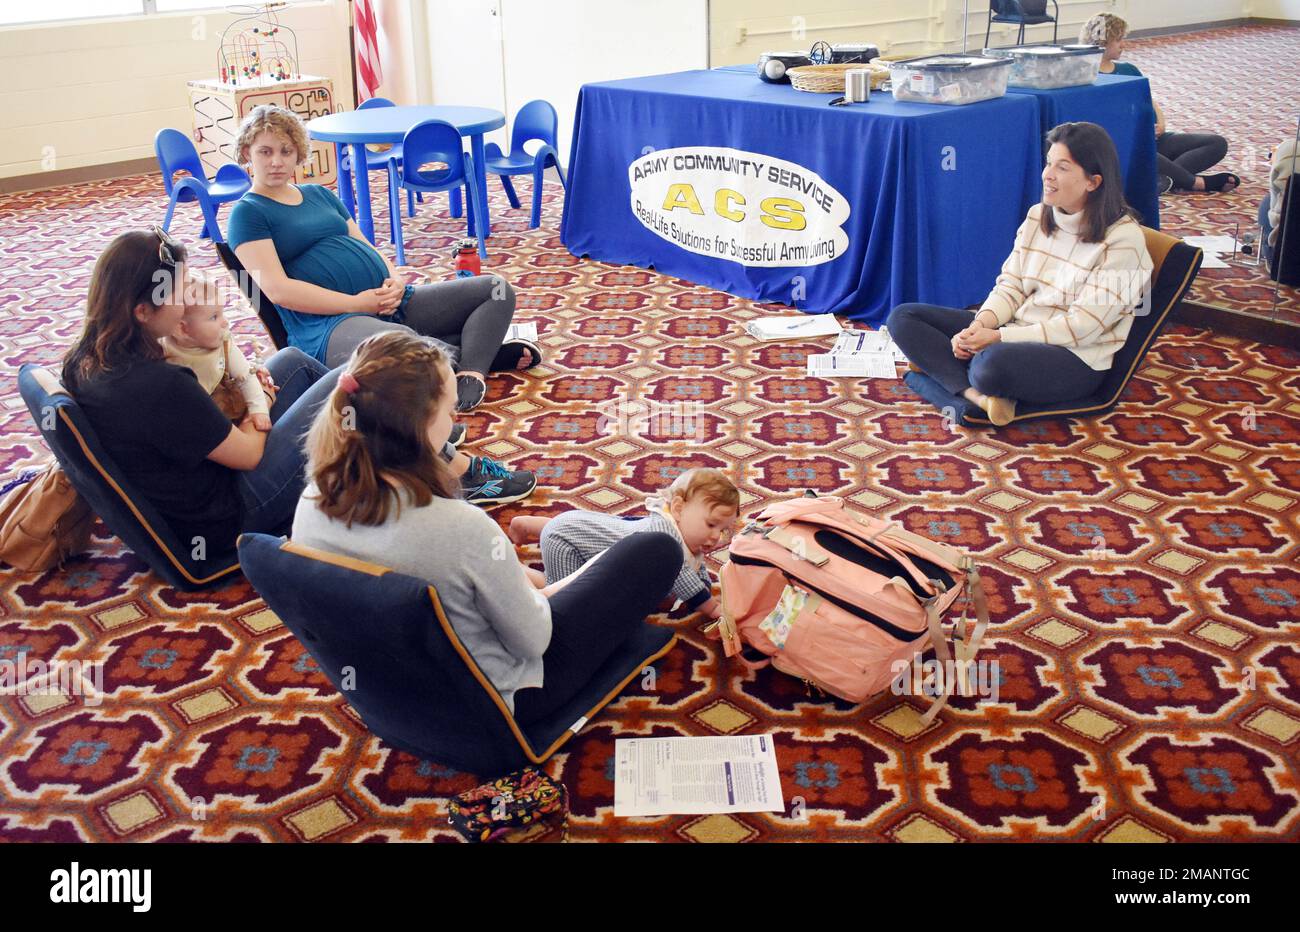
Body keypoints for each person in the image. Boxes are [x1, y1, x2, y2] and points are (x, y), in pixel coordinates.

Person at [291, 331, 681, 723]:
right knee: (652, 549)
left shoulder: (312, 500)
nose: (456, 417)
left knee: (526, 577)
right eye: (448, 409)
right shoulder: (462, 527)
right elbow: (534, 639)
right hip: (491, 702)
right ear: (422, 424)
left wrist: (513, 576)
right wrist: (587, 573)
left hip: (388, 688)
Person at [227, 104, 540, 412]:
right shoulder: (248, 212)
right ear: (246, 155)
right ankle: (471, 351)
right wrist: (358, 304)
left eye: (286, 151)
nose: (277, 161)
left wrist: (395, 281)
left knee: (495, 291)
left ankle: (470, 370)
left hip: (387, 303)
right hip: (331, 324)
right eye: (265, 152)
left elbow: (366, 246)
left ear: (298, 153)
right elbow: (279, 290)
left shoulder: (319, 194)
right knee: (403, 348)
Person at [61, 227, 340, 557]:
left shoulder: (84, 358)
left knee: (292, 362)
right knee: (343, 382)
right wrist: (260, 401)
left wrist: (249, 387)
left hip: (189, 485)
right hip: (228, 512)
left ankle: (360, 456)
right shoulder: (162, 385)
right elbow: (249, 455)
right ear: (142, 312)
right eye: (179, 294)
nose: (184, 305)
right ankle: (386, 458)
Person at [888, 122, 1153, 426]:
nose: (1047, 175)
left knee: (990, 366)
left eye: (1063, 167)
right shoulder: (1038, 215)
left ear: (1093, 182)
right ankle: (977, 398)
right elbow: (1011, 285)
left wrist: (999, 337)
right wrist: (981, 323)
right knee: (904, 317)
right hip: (1017, 329)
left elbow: (1083, 327)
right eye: (1048, 163)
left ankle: (946, 381)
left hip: (1075, 356)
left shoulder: (1123, 242)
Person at [509, 467, 740, 620]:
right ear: (678, 508)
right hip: (564, 542)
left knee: (585, 530)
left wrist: (705, 585)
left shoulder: (677, 527)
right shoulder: (666, 541)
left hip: (578, 529)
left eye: (724, 530)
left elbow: (695, 568)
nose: (716, 537)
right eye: (711, 525)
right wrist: (712, 608)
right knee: (566, 598)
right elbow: (684, 579)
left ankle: (530, 526)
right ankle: (519, 571)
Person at [1080, 12, 1239, 195]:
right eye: (1119, 40)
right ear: (1103, 41)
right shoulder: (1088, 76)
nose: (1123, 44)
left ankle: (1165, 179)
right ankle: (1196, 183)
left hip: (1155, 138)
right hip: (1129, 144)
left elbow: (1149, 101)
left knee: (1217, 143)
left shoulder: (1129, 69)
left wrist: (1161, 123)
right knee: (1141, 152)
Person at [162, 276, 273, 431]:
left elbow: (246, 377)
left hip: (235, 407)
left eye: (222, 313)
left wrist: (259, 410)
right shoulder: (164, 353)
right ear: (182, 329)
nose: (225, 322)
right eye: (214, 317)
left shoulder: (223, 343)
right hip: (214, 430)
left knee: (285, 361)